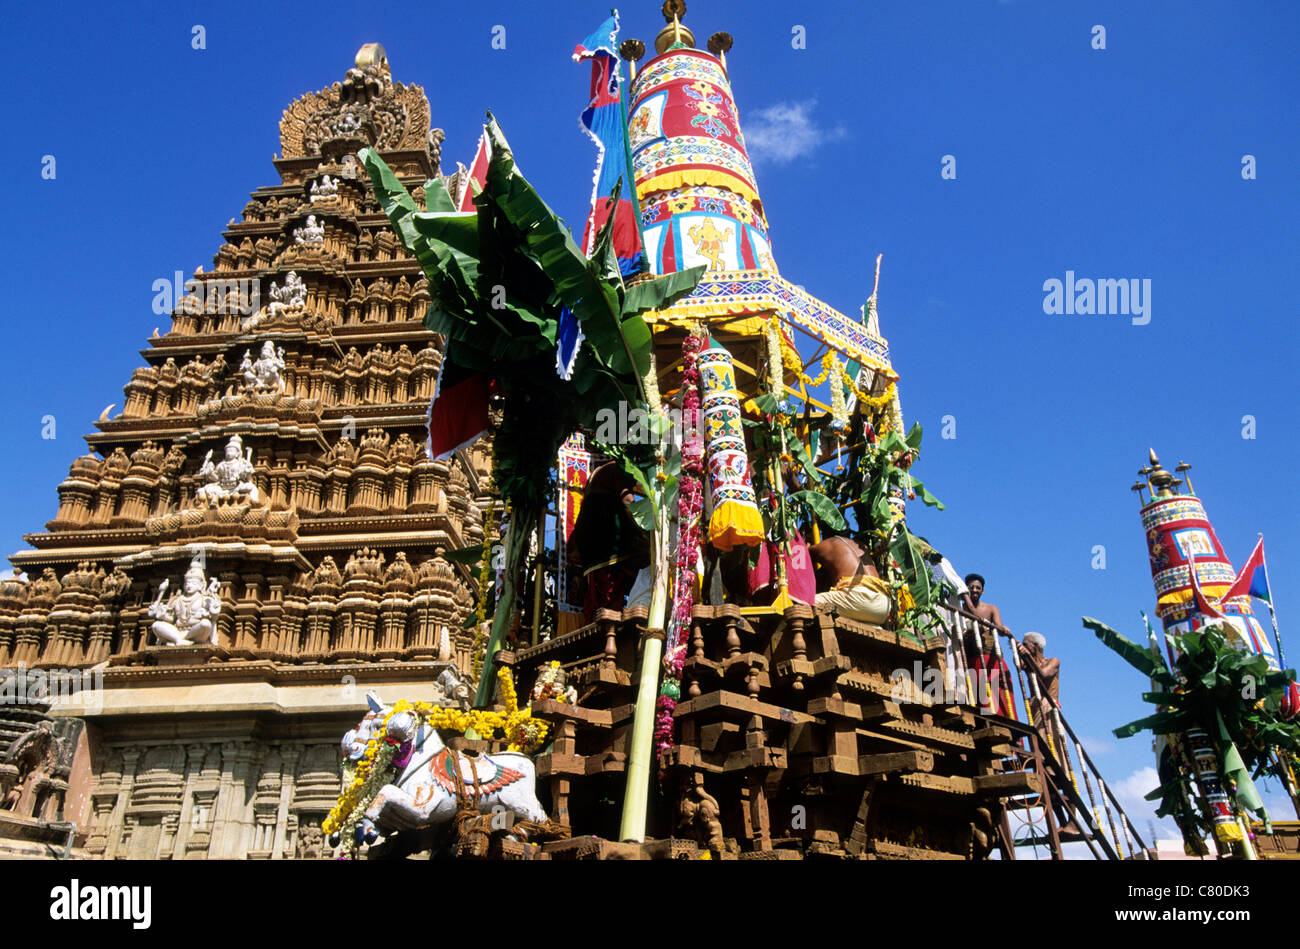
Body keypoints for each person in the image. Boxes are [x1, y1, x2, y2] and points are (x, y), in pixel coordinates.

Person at [567, 462, 650, 620]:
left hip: (589, 543)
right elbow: (627, 500)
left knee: (597, 596)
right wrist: (645, 530)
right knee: (645, 562)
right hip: (606, 538)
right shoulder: (620, 467)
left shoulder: (599, 471)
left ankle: (599, 629)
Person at [963, 573, 1016, 717]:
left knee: (999, 690)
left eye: (978, 588)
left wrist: (1004, 629)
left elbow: (999, 627)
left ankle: (1003, 720)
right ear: (965, 588)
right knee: (980, 693)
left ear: (982, 591)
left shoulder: (991, 608)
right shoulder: (961, 608)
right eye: (971, 587)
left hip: (991, 655)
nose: (974, 590)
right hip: (972, 656)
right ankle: (985, 721)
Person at [809, 535, 891, 625]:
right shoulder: (861, 546)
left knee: (803, 603)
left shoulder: (828, 544)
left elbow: (804, 556)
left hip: (859, 598)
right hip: (883, 605)